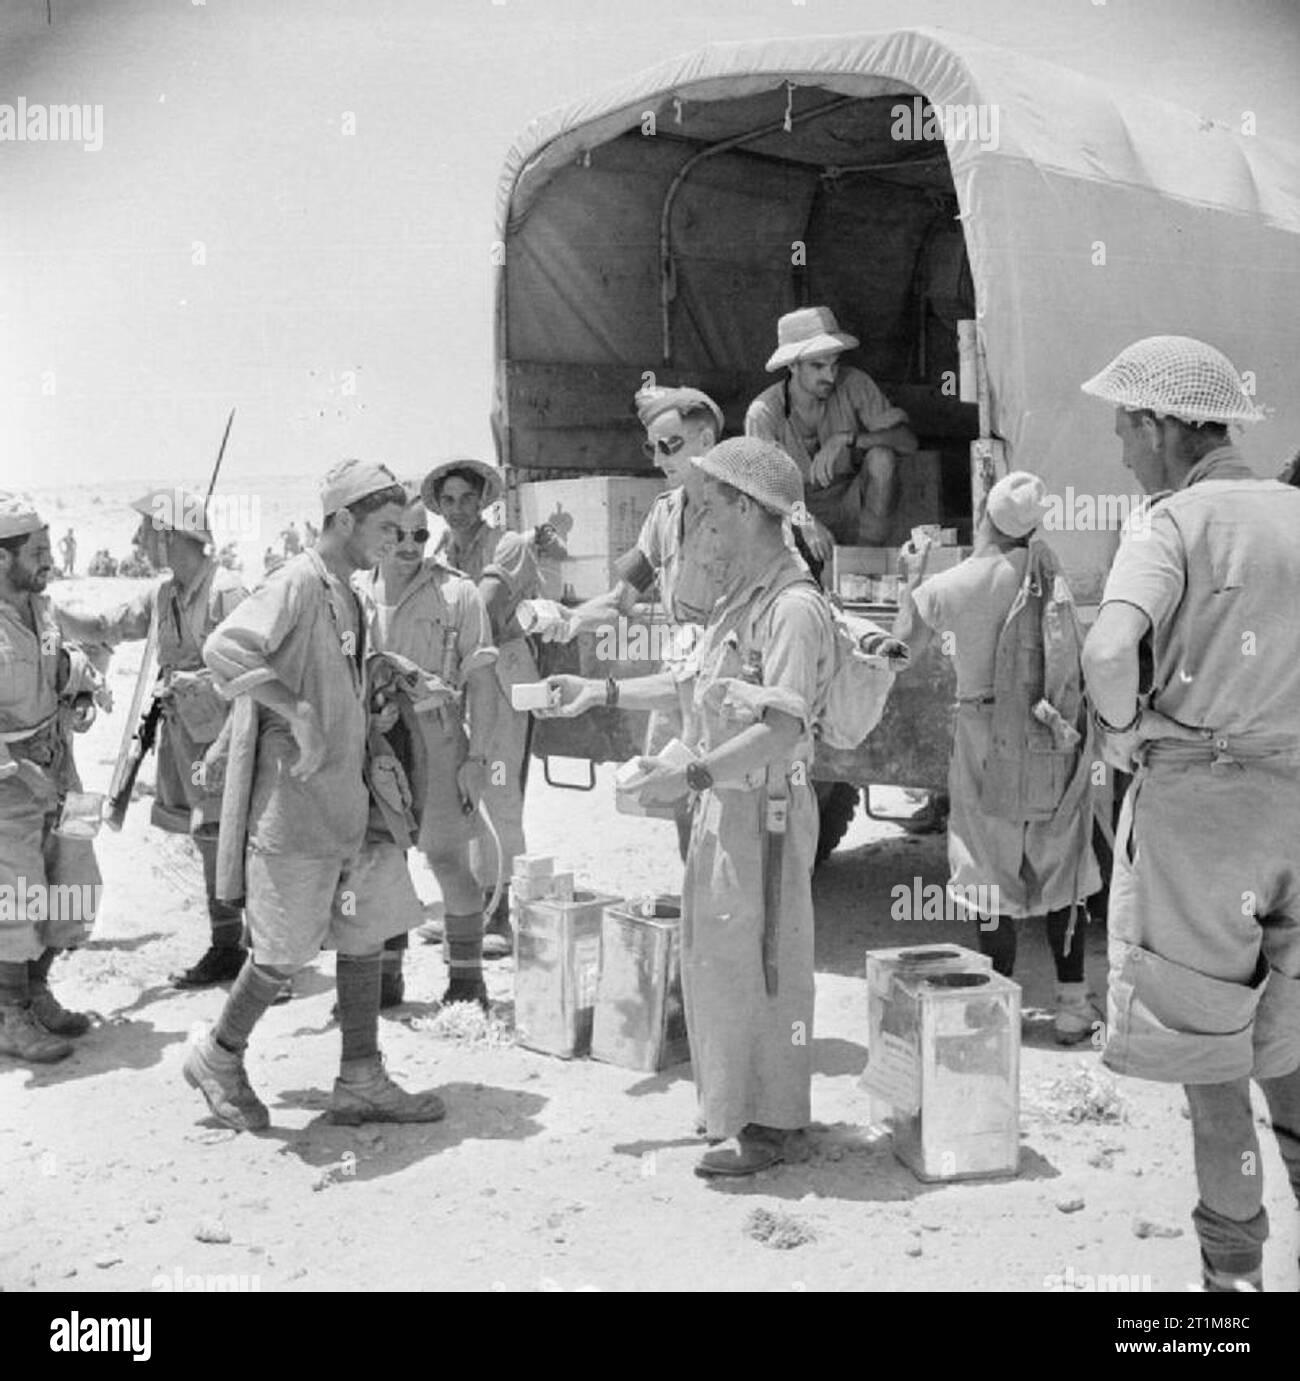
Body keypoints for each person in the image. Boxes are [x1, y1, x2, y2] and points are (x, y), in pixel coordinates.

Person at [544, 437, 835, 1177]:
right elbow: (688, 688)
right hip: (724, 808)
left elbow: (784, 727)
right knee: (719, 963)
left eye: (710, 504)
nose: (699, 519)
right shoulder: (745, 593)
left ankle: (769, 1125)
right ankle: (739, 1108)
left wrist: (695, 776)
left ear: (746, 507)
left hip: (760, 812)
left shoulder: (793, 607)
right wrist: (601, 693)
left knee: (763, 966)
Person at [1079, 335, 1300, 1292]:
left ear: (1165, 426)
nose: (1122, 449)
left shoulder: (1170, 523)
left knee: (1215, 1081)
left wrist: (1125, 730)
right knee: (1291, 1060)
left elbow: (1106, 649)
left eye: (1127, 426)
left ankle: (1229, 1296)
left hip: (1203, 821)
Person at [183, 459, 445, 1131]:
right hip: (294, 809)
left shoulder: (348, 591)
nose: (395, 542)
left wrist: (383, 688)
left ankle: (361, 1076)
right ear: (345, 519)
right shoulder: (296, 581)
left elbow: (340, 675)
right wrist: (294, 709)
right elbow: (224, 647)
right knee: (279, 952)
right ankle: (218, 1055)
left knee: (365, 930)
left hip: (349, 803)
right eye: (386, 528)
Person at [893, 472, 1101, 1042]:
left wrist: (912, 578)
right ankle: (1073, 1007)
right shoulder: (1050, 573)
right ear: (1032, 526)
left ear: (983, 513)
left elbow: (900, 652)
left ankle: (998, 1006)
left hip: (985, 733)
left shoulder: (958, 582)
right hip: (1050, 731)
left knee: (987, 870)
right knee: (1064, 869)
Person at [61, 489, 251, 988]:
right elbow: (105, 628)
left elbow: (262, 668)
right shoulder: (163, 595)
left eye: (145, 530)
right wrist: (48, 608)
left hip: (231, 735)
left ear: (170, 534)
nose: (135, 540)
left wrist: (202, 683)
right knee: (209, 839)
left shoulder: (228, 591)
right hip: (186, 736)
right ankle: (227, 948)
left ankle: (267, 957)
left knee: (239, 838)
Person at [560, 387, 733, 860]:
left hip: (726, 674)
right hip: (679, 671)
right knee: (676, 796)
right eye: (651, 447)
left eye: (669, 445)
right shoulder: (664, 512)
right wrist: (569, 621)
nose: (658, 458)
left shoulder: (740, 508)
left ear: (705, 438)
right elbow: (623, 599)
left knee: (726, 802)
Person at [354, 486, 501, 1009]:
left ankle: (466, 983)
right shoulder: (354, 591)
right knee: (379, 861)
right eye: (397, 533)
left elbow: (483, 683)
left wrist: (478, 760)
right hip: (373, 744)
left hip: (437, 740)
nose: (411, 545)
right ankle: (384, 980)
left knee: (448, 861)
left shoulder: (458, 594)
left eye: (421, 534)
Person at [423, 457, 549, 951]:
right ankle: (470, 906)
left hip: (500, 678)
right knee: (462, 789)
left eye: (466, 499)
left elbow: (481, 607)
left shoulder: (509, 546)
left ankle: (502, 913)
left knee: (499, 791)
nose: (457, 509)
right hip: (459, 678)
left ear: (484, 501)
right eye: (448, 501)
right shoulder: (441, 547)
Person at [0, 496, 103, 1062]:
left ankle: (38, 994)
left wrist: (81, 689)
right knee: (16, 896)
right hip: (10, 784)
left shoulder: (41, 609)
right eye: (36, 552)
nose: (47, 561)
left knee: (74, 882)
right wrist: (20, 771)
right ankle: (9, 1015)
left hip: (62, 768)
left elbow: (64, 660)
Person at [746, 305, 918, 552]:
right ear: (793, 366)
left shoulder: (854, 383)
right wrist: (806, 522)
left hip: (849, 501)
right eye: (818, 366)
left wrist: (846, 439)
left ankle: (868, 559)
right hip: (794, 513)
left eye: (834, 364)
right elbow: (763, 489)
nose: (830, 375)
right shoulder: (763, 413)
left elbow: (907, 441)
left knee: (882, 457)